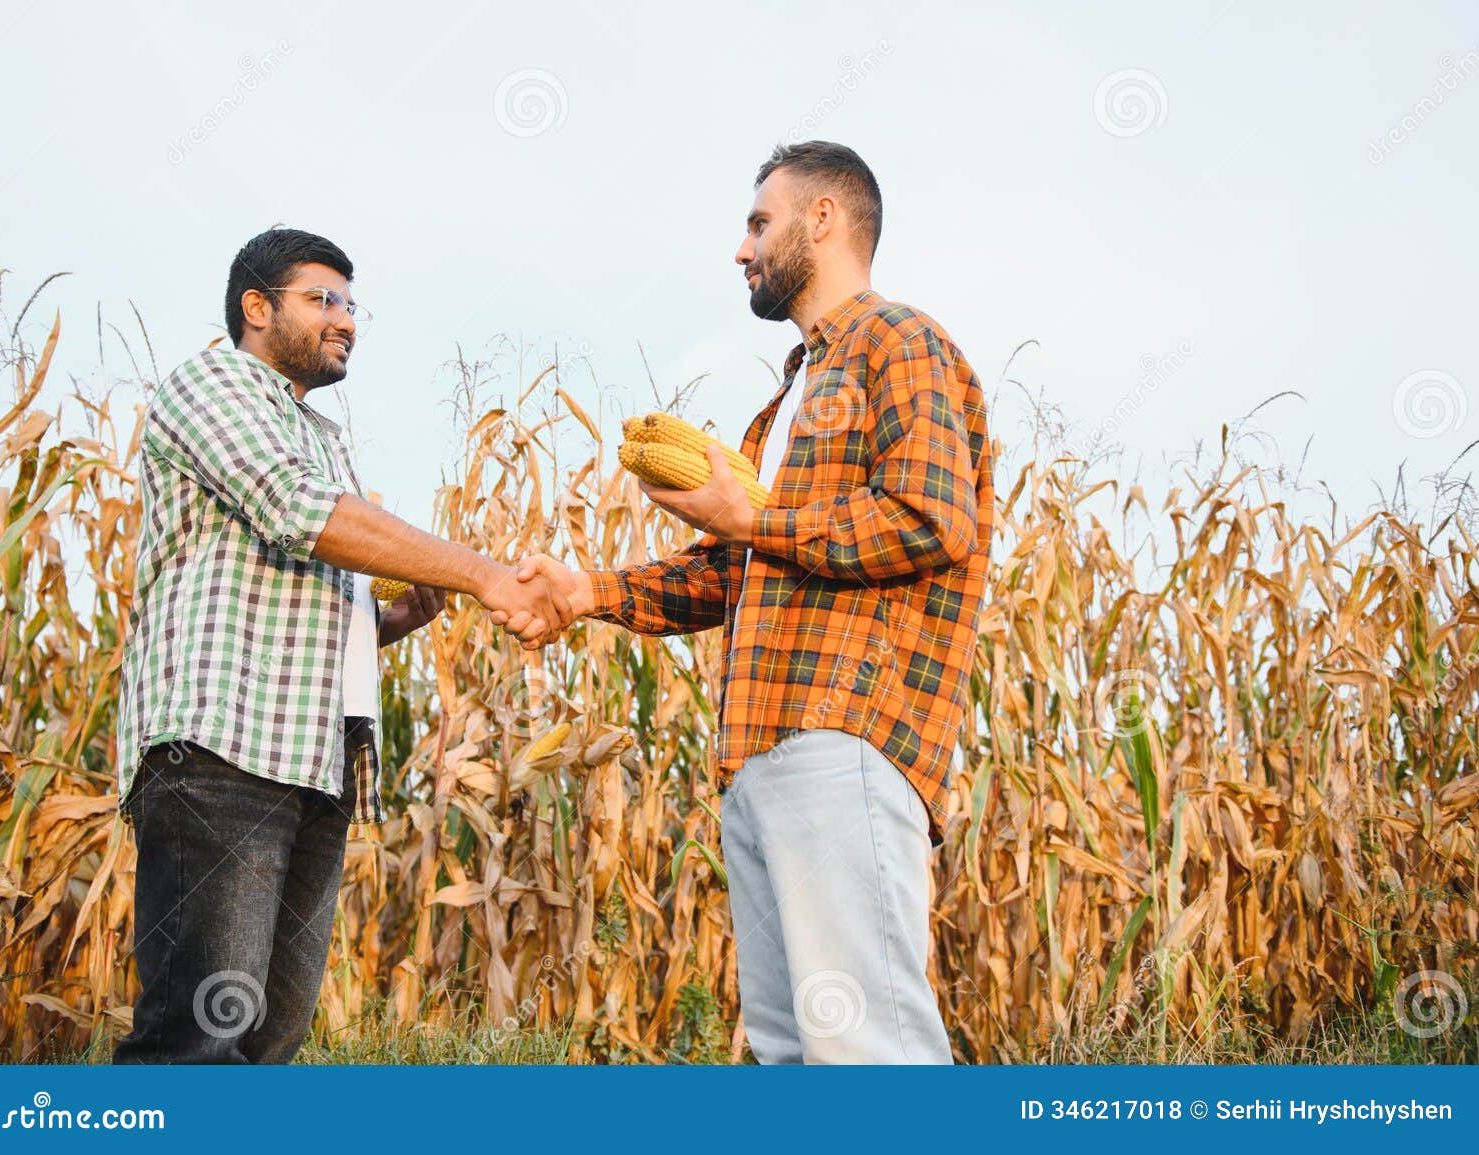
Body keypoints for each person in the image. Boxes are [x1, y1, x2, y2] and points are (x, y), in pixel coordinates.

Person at [502, 142, 995, 1063]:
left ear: (823, 219)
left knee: (869, 1051)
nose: (742, 249)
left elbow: (932, 520)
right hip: (758, 756)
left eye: (758, 222)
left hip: (842, 734)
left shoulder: (900, 344)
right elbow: (735, 568)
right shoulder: (787, 400)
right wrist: (585, 592)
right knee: (790, 1051)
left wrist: (757, 518)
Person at [114, 228, 569, 1063]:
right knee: (199, 1035)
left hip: (313, 763)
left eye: (351, 304)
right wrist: (485, 575)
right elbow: (297, 509)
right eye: (322, 299)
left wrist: (390, 623)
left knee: (269, 1038)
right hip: (221, 751)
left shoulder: (319, 432)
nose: (345, 320)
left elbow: (304, 597)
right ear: (257, 307)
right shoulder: (213, 381)